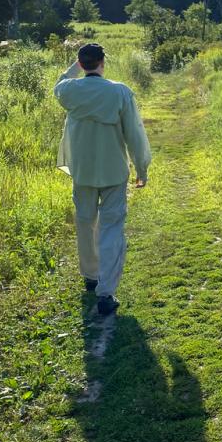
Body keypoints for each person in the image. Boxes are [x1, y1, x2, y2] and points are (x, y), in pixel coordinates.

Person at [54, 43, 151, 315]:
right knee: (111, 227)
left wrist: (75, 64)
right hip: (113, 171)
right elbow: (134, 133)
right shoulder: (119, 92)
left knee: (85, 222)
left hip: (82, 170)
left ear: (82, 64)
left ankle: (90, 276)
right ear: (103, 62)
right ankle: (106, 292)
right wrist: (142, 168)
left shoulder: (70, 91)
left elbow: (60, 81)